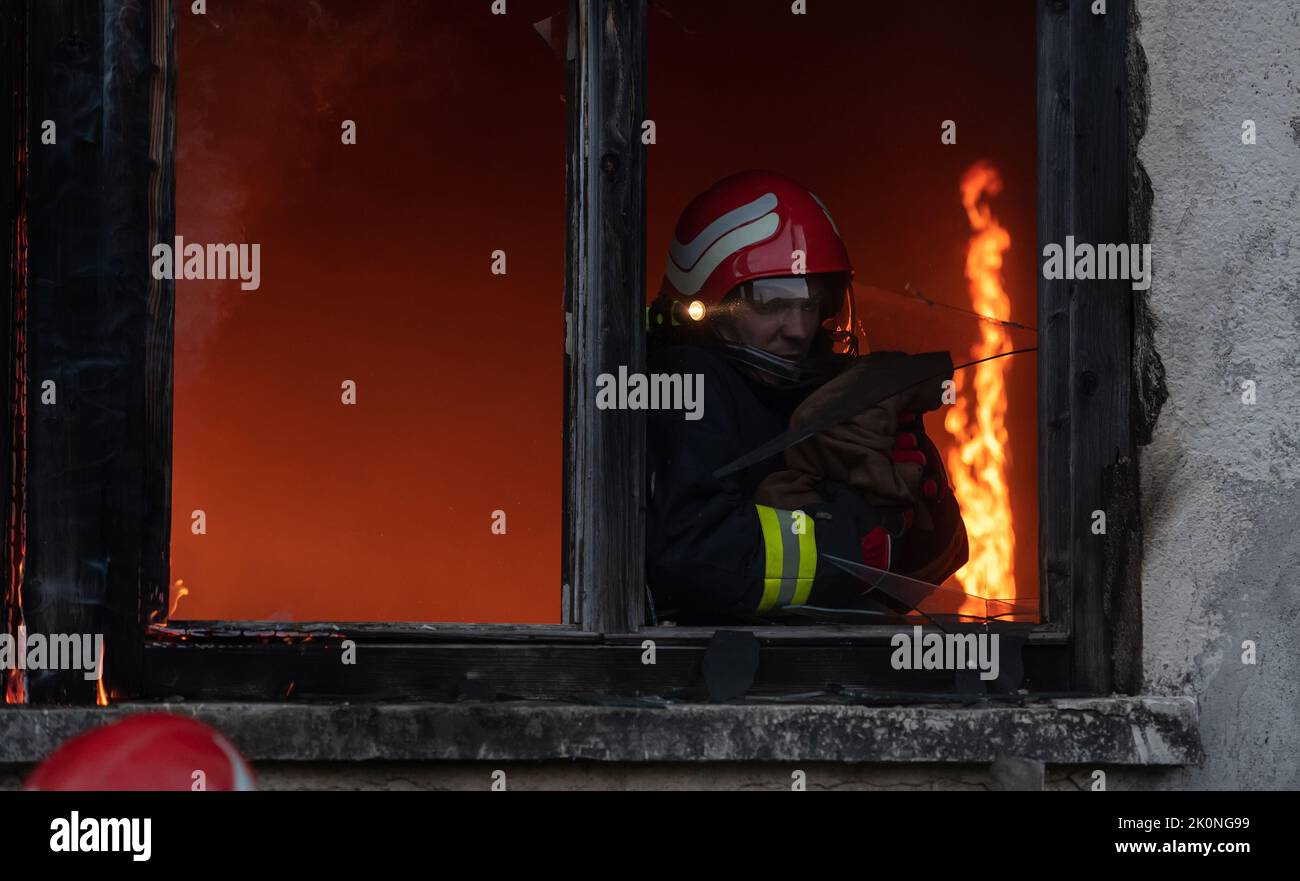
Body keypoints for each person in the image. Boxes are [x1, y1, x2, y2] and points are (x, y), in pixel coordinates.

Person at [645, 170, 967, 624]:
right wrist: (858, 537)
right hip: (727, 680)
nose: (798, 329)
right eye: (771, 301)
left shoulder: (841, 390)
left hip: (837, 673)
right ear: (708, 305)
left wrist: (916, 504)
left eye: (810, 301)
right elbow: (698, 560)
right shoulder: (686, 384)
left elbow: (930, 567)